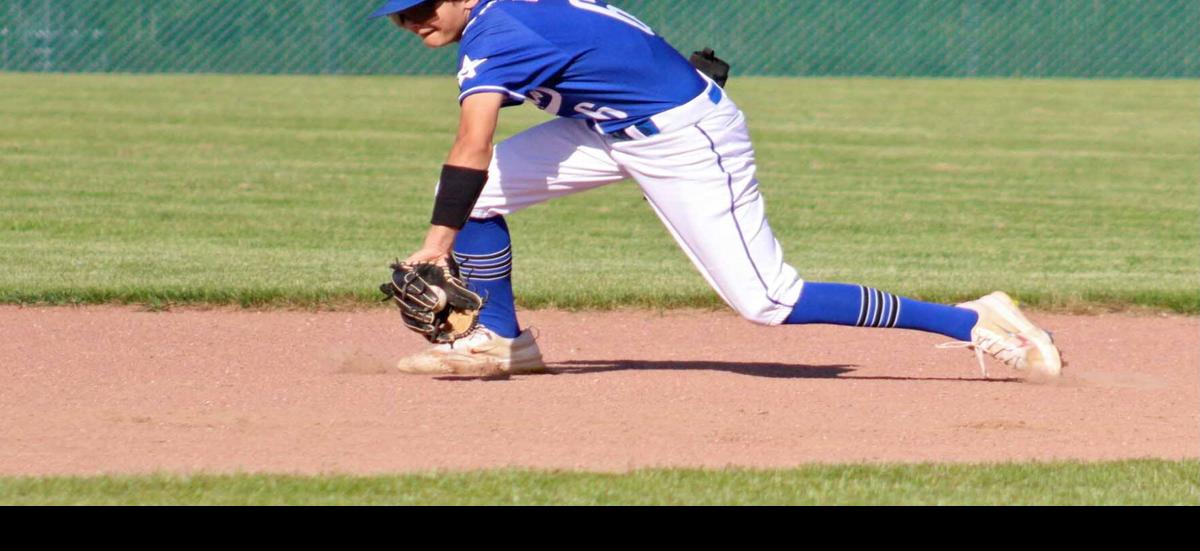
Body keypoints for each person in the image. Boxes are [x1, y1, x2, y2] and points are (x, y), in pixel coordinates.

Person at [372, 0, 1062, 379]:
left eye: (423, 6)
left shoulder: (500, 34)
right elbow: (607, 44)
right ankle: (501, 341)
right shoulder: (518, 12)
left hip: (683, 140)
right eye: (400, 14)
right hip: (613, 129)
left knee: (769, 301)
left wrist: (438, 247)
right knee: (483, 196)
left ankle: (975, 319)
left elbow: (472, 141)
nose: (413, 21)